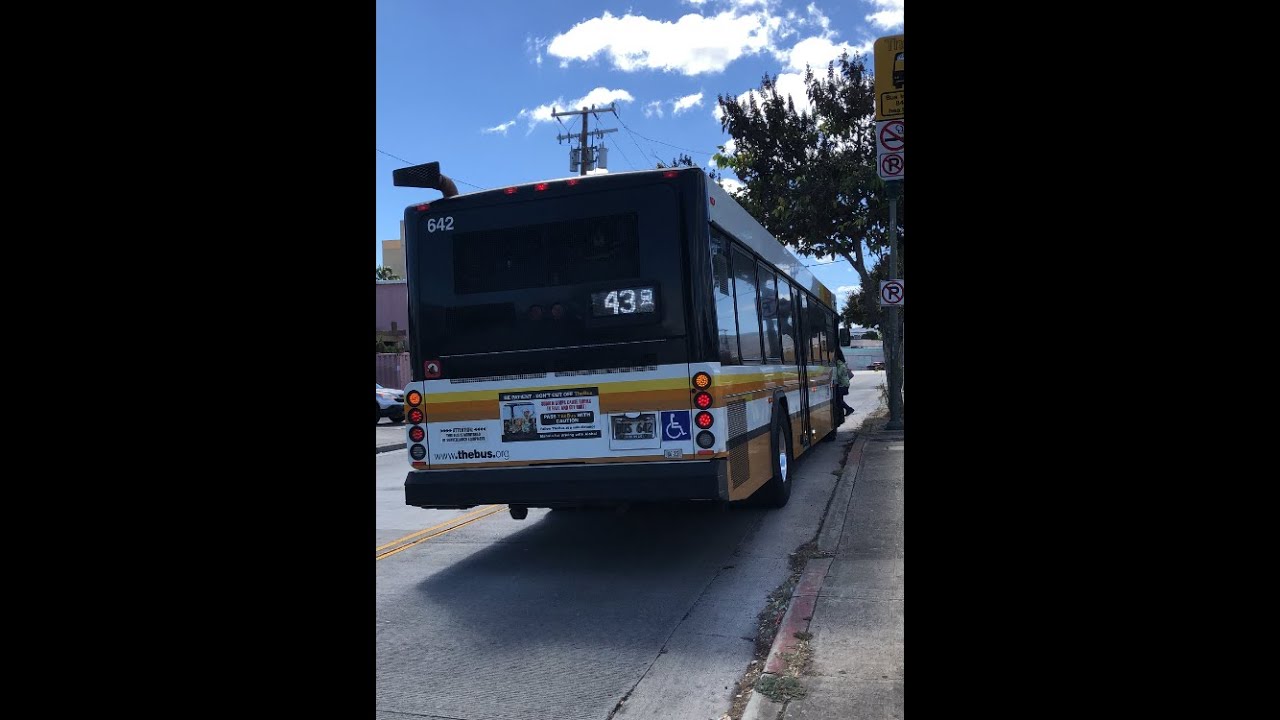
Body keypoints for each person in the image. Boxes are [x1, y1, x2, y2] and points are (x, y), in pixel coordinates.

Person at [834, 348, 854, 416]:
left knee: (838, 399)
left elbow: (838, 374)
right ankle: (841, 413)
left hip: (843, 384)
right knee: (840, 399)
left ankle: (849, 409)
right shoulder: (841, 364)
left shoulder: (839, 364)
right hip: (843, 384)